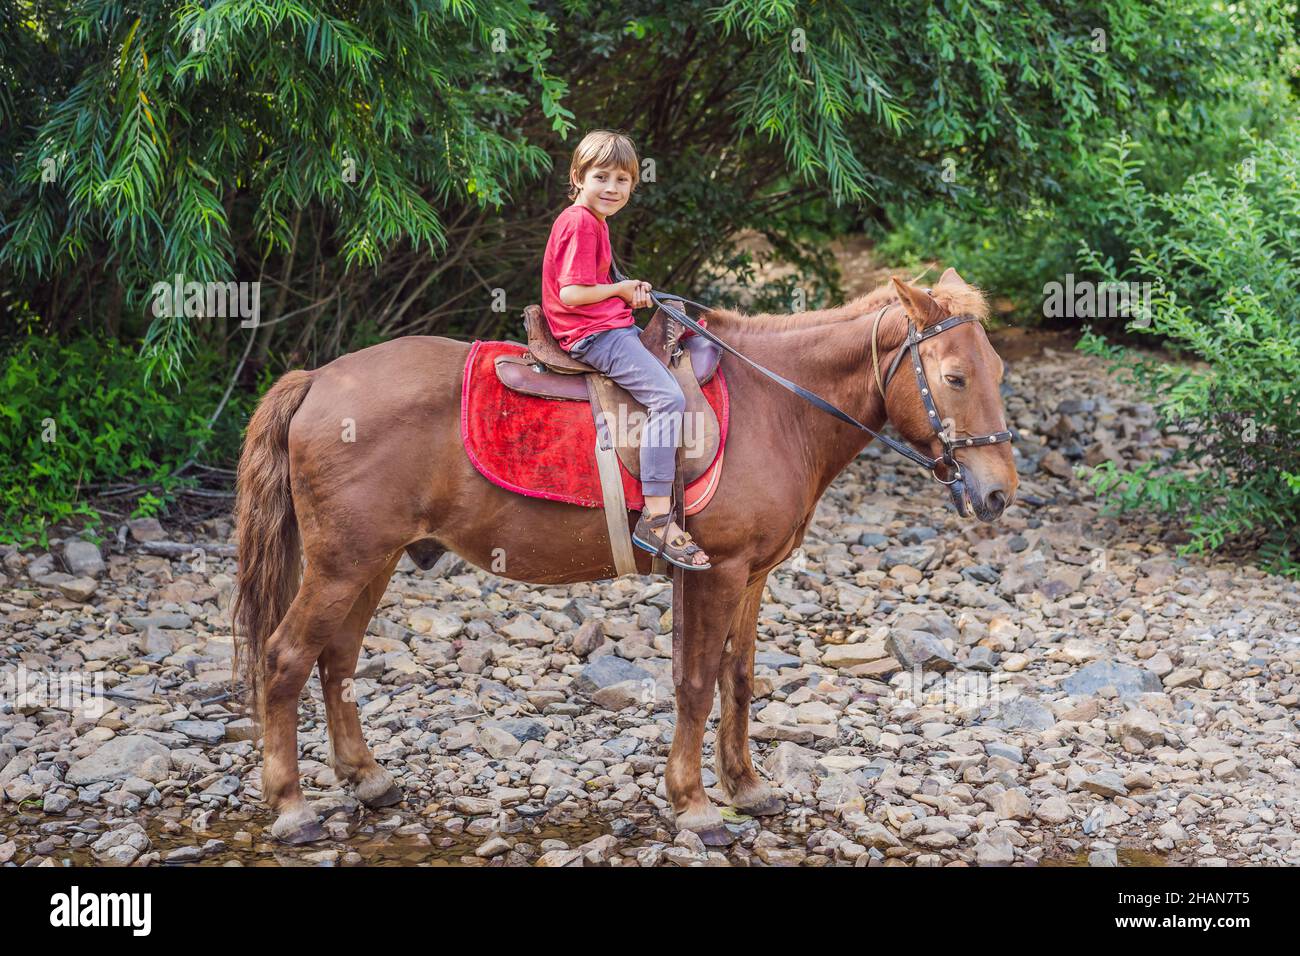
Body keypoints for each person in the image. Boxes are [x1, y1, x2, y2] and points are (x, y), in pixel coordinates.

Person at [540, 130, 710, 570]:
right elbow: (573, 292)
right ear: (578, 177)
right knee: (667, 397)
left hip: (606, 324)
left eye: (622, 180)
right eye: (602, 177)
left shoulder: (595, 222)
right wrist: (619, 289)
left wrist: (626, 294)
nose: (612, 188)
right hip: (592, 334)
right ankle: (656, 515)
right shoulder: (579, 221)